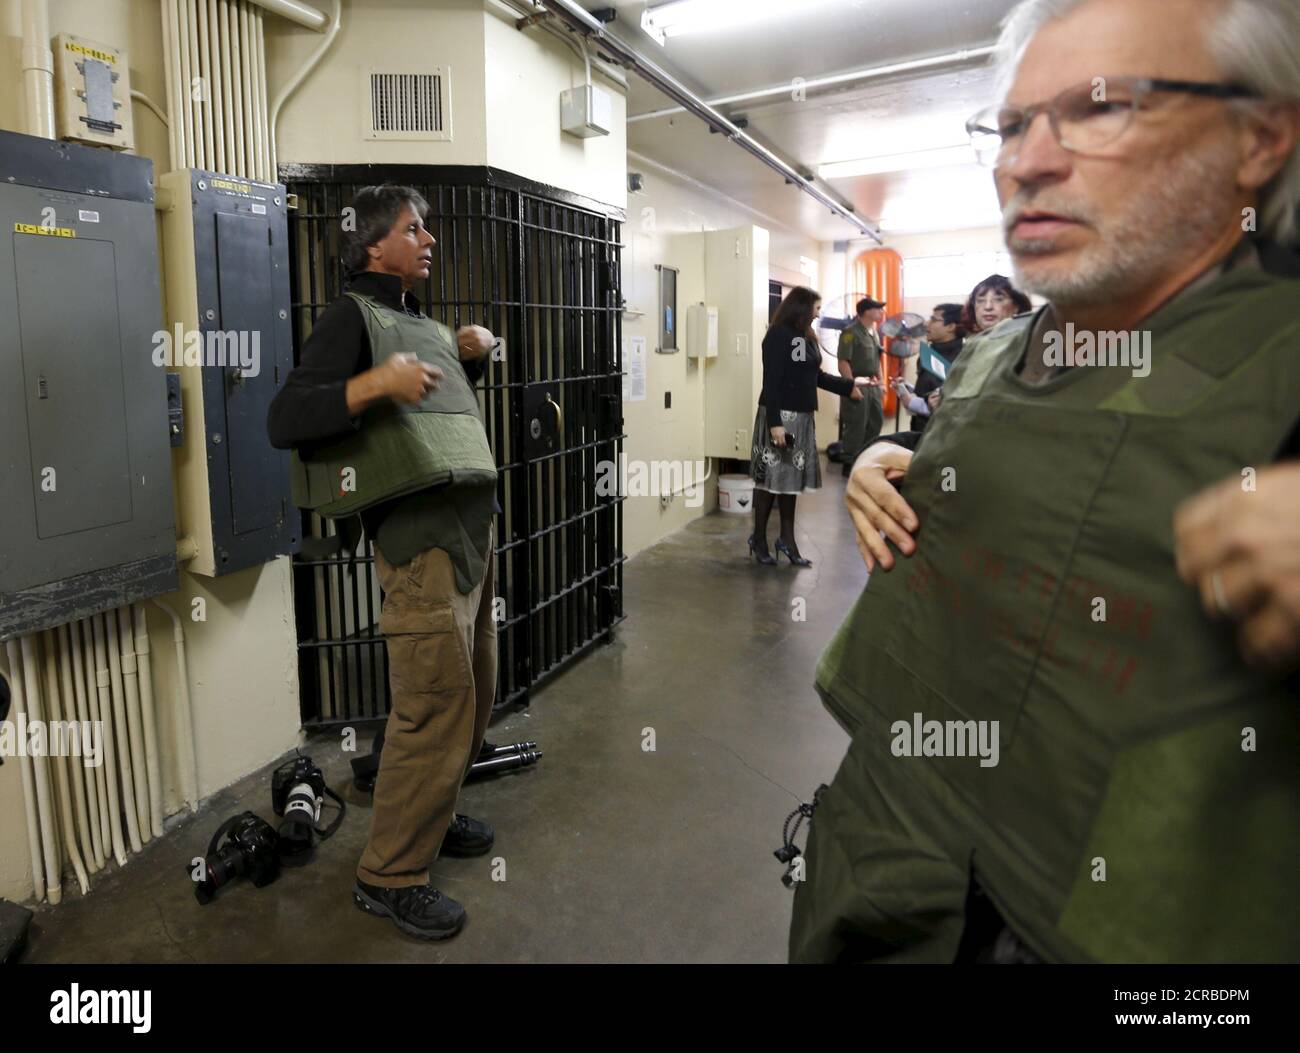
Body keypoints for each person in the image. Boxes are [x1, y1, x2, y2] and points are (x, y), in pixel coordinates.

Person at [792, 0, 1300, 964]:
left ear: (1260, 137)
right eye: (1015, 123)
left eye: (1101, 107)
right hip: (884, 880)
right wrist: (880, 462)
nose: (1028, 161)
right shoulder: (992, 360)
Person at [267, 184, 500, 941]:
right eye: (413, 228)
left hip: (469, 535)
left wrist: (471, 358)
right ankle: (391, 872)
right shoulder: (352, 318)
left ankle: (434, 813)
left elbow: (433, 423)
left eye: (427, 226)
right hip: (419, 544)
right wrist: (375, 382)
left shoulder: (420, 322)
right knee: (431, 704)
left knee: (469, 696)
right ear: (374, 246)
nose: (428, 237)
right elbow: (287, 416)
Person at [750, 286, 868, 566]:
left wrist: (849, 385)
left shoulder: (806, 337)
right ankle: (758, 537)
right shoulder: (778, 335)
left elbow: (813, 377)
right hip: (779, 416)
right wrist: (775, 424)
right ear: (802, 308)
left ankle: (787, 541)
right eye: (816, 307)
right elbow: (772, 381)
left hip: (802, 417)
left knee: (790, 482)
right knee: (770, 482)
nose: (819, 313)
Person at [890, 303, 966, 431]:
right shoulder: (930, 353)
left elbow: (950, 405)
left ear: (951, 326)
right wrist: (909, 389)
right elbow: (932, 389)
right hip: (920, 428)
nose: (926, 324)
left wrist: (912, 402)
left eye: (934, 320)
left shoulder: (961, 359)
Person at [836, 297, 887, 475]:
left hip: (872, 385)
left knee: (875, 422)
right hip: (857, 383)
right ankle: (850, 463)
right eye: (878, 309)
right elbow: (843, 362)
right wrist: (851, 386)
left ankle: (866, 460)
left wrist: (881, 382)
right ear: (866, 311)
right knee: (856, 425)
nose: (881, 312)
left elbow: (877, 359)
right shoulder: (850, 332)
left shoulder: (874, 332)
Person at [962, 273, 1032, 334]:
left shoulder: (1030, 340)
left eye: (998, 299)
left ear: (1016, 306)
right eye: (981, 300)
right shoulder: (970, 345)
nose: (988, 307)